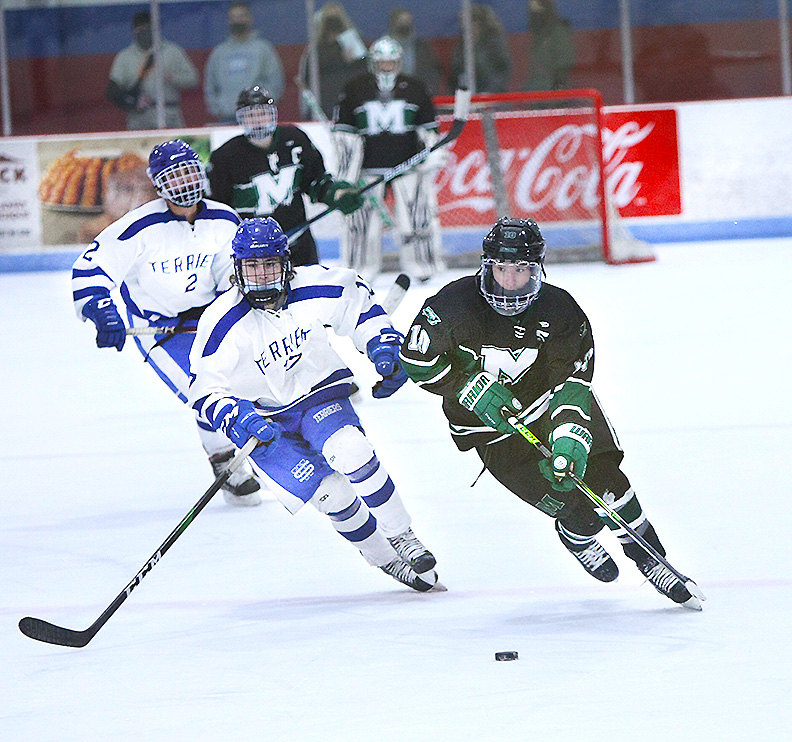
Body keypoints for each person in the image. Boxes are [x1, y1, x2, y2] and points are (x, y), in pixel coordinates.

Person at [399, 217, 701, 609]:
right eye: (502, 269)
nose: (511, 281)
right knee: (580, 511)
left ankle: (651, 558)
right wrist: (466, 386)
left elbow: (571, 384)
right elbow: (417, 361)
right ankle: (577, 534)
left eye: (522, 269)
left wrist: (569, 438)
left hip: (548, 406)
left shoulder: (561, 311)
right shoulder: (452, 306)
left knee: (605, 480)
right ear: (487, 265)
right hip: (492, 433)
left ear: (537, 268)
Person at [188, 216, 441, 592]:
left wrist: (382, 344)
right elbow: (203, 390)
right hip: (263, 421)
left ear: (286, 263)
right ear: (237, 269)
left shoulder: (315, 285)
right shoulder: (222, 319)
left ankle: (402, 535)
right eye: (252, 266)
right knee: (333, 495)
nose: (261, 275)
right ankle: (384, 558)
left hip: (317, 397)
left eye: (270, 264)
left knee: (351, 450)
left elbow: (358, 304)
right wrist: (236, 416)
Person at [71, 139, 262, 508]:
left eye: (189, 172)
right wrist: (99, 307)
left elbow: (232, 273)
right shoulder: (139, 226)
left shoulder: (224, 218)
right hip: (161, 329)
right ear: (159, 185)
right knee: (204, 389)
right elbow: (91, 267)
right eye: (174, 176)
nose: (184, 182)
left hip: (212, 319)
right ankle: (226, 461)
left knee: (253, 379)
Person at [207, 85, 363, 267]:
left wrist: (337, 194)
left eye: (262, 113)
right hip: (254, 256)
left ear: (273, 114)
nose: (257, 121)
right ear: (241, 119)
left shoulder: (295, 139)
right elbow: (218, 209)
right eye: (250, 115)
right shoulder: (225, 157)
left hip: (299, 247)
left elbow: (316, 181)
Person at [333, 36, 445, 283]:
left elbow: (428, 130)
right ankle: (359, 267)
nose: (386, 67)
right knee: (360, 223)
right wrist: (348, 173)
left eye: (391, 62)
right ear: (373, 63)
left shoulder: (416, 87)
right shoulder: (354, 88)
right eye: (382, 63)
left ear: (399, 62)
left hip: (409, 167)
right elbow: (345, 135)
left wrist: (429, 155)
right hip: (367, 170)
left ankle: (422, 266)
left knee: (417, 216)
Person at [106, 11, 199, 130]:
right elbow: (112, 91)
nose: (144, 32)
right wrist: (133, 102)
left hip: (169, 117)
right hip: (139, 121)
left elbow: (194, 79)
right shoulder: (125, 57)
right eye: (140, 29)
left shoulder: (172, 51)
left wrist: (173, 77)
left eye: (147, 28)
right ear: (134, 31)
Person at [204, 1, 285, 124]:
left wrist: (263, 107)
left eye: (241, 16)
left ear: (250, 19)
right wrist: (217, 108)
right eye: (234, 17)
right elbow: (210, 85)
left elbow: (276, 83)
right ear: (228, 20)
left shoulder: (263, 49)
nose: (238, 21)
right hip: (227, 117)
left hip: (257, 118)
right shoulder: (219, 53)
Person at [297, 2, 367, 120]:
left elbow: (365, 73)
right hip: (324, 104)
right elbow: (308, 78)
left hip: (350, 102)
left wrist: (353, 61)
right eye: (329, 18)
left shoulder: (353, 43)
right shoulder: (315, 51)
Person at [447, 4, 512, 94]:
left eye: (472, 20)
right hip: (466, 95)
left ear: (481, 22)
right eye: (462, 21)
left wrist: (487, 94)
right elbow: (456, 74)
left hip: (491, 95)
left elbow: (500, 74)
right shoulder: (460, 47)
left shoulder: (494, 46)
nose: (465, 25)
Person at [387, 6, 443, 96]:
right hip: (391, 95)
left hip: (419, 94)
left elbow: (432, 73)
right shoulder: (383, 47)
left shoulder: (422, 47)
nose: (404, 25)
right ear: (392, 23)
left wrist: (428, 93)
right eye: (401, 21)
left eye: (407, 21)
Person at [524, 0, 576, 91]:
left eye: (538, 12)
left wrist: (558, 88)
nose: (535, 16)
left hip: (553, 92)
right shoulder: (539, 36)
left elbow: (564, 63)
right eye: (532, 12)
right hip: (536, 91)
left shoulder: (559, 32)